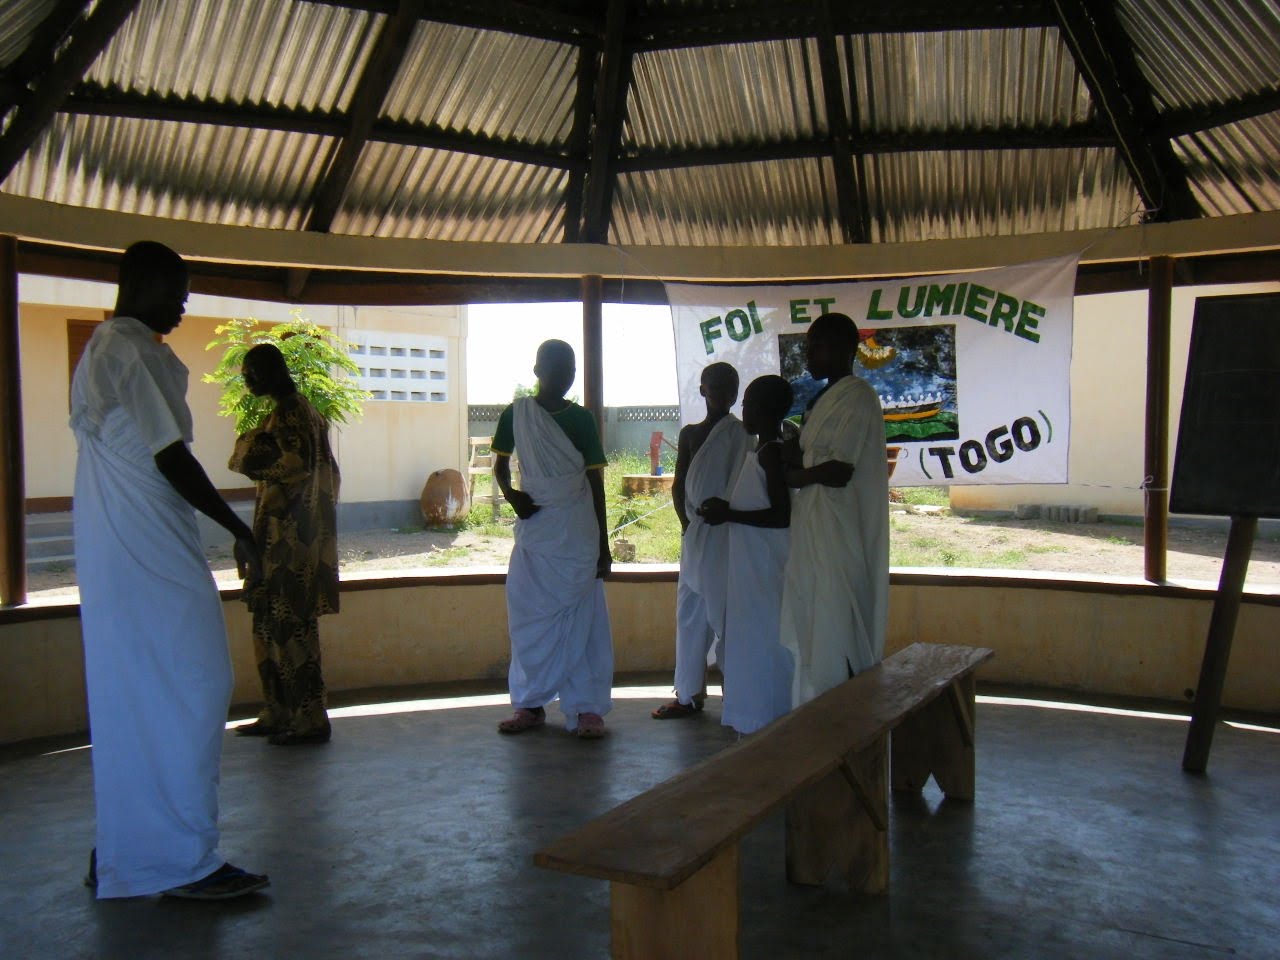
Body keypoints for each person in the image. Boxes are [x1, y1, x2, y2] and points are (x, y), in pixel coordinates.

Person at [71, 240, 269, 900]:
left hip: (134, 543)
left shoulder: (120, 348)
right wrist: (240, 528)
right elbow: (169, 458)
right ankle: (180, 861)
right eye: (177, 292)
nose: (184, 306)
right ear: (142, 282)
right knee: (195, 681)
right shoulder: (124, 348)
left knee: (143, 693)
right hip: (142, 546)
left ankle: (131, 850)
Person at [490, 340, 614, 739]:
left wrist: (604, 545)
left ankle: (587, 709)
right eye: (557, 367)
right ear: (538, 369)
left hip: (577, 532)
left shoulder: (582, 419)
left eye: (570, 369)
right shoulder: (517, 414)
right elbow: (501, 464)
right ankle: (529, 704)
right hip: (536, 531)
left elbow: (595, 481)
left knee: (584, 621)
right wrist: (512, 497)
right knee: (529, 617)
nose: (565, 375)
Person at [228, 343, 340, 746]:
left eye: (251, 374)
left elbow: (285, 465)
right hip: (281, 541)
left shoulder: (293, 414)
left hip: (292, 544)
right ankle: (277, 711)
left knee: (292, 630)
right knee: (269, 626)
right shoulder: (294, 412)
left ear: (272, 371)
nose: (247, 381)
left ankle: (309, 720)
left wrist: (248, 448)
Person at [779, 312, 890, 706]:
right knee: (814, 621)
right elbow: (813, 462)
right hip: (813, 528)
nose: (808, 353)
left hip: (839, 532)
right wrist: (798, 463)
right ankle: (817, 710)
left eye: (817, 345)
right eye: (807, 345)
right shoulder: (822, 398)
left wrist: (794, 472)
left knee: (838, 621)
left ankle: (844, 712)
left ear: (845, 349)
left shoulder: (858, 395)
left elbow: (839, 470)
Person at [699, 375, 795, 735]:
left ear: (766, 410)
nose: (743, 410)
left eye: (749, 404)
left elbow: (780, 515)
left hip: (765, 570)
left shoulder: (771, 453)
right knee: (753, 645)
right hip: (752, 568)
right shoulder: (763, 450)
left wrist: (729, 514)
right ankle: (757, 720)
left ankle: (767, 721)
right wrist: (728, 509)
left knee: (764, 646)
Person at [652, 362, 748, 719]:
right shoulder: (691, 434)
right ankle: (688, 694)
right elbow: (679, 484)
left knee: (727, 614)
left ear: (736, 394)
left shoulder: (741, 434)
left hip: (727, 537)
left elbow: (743, 485)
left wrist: (725, 516)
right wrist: (686, 525)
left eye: (730, 389)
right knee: (689, 614)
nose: (723, 395)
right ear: (703, 390)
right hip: (695, 535)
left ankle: (737, 689)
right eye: (716, 387)